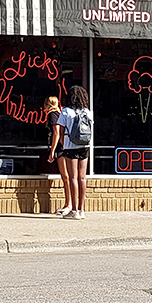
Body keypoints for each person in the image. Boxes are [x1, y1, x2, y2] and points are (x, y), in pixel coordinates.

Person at [49, 85, 92, 220]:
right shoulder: (87, 112)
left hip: (70, 147)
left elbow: (60, 131)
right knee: (82, 178)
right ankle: (82, 209)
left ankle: (74, 211)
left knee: (73, 178)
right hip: (85, 146)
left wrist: (64, 144)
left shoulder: (66, 111)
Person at [44, 96, 72, 216]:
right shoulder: (59, 114)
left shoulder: (53, 115)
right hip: (65, 147)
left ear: (48, 104)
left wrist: (52, 150)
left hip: (61, 149)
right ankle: (68, 204)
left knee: (66, 177)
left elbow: (56, 133)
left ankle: (69, 204)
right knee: (67, 177)